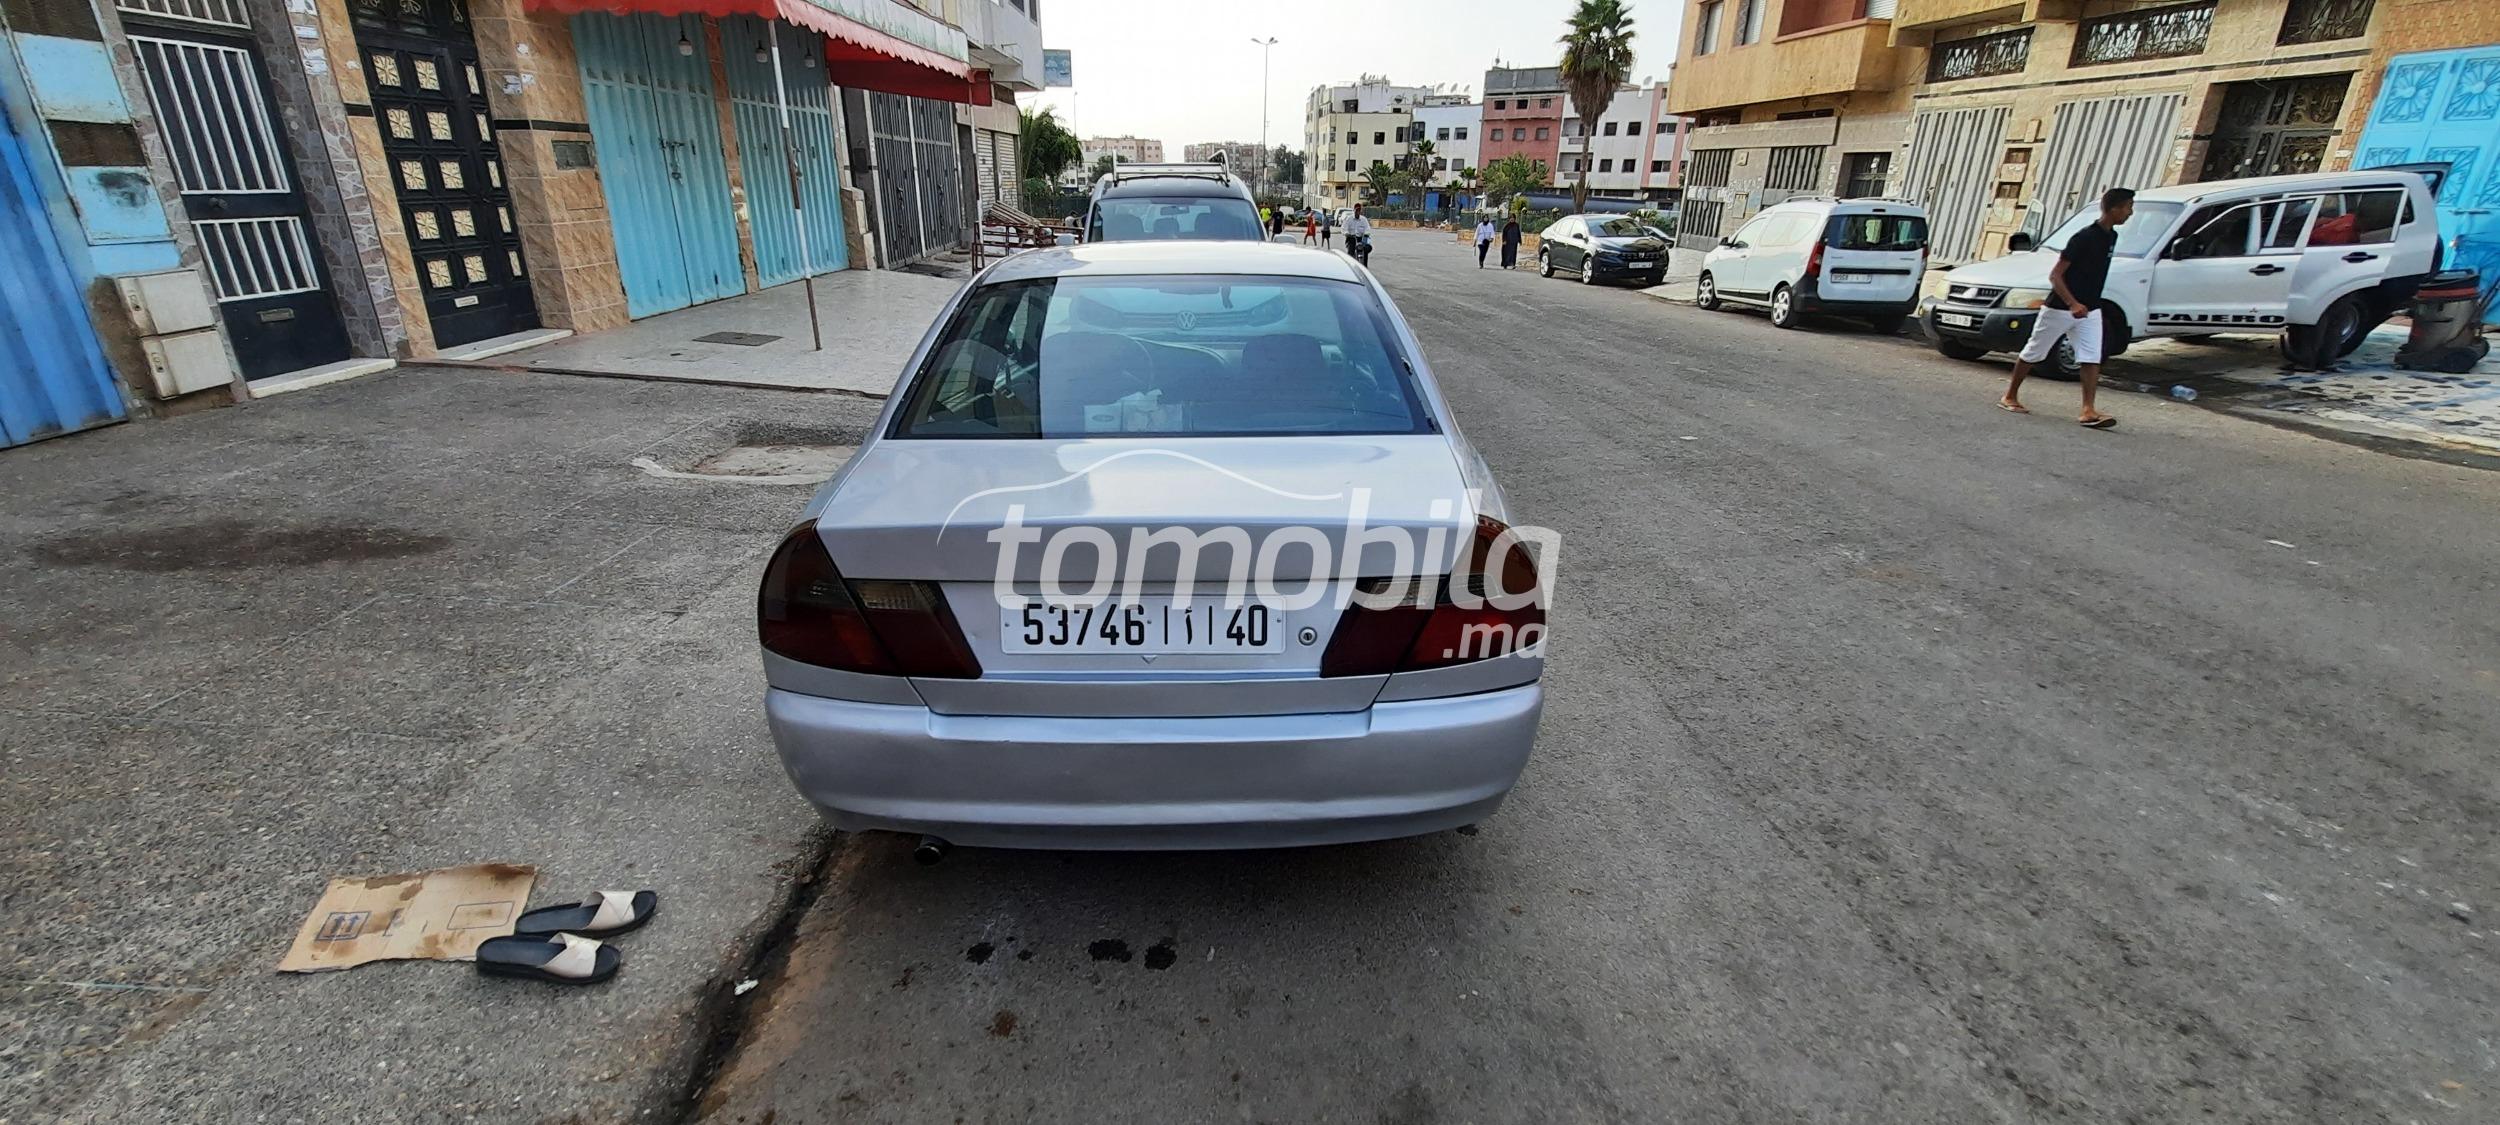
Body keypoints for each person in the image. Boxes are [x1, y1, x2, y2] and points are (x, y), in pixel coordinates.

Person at [2001, 186, 2131, 429]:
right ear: (2114, 209)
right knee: (2034, 351)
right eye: (2127, 208)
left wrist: (2086, 305)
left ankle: (2088, 410)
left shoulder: (2111, 237)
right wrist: (2072, 303)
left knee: (2091, 357)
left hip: (2091, 309)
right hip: (2060, 307)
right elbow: (2056, 275)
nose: (2130, 213)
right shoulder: (2084, 238)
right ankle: (2010, 396)